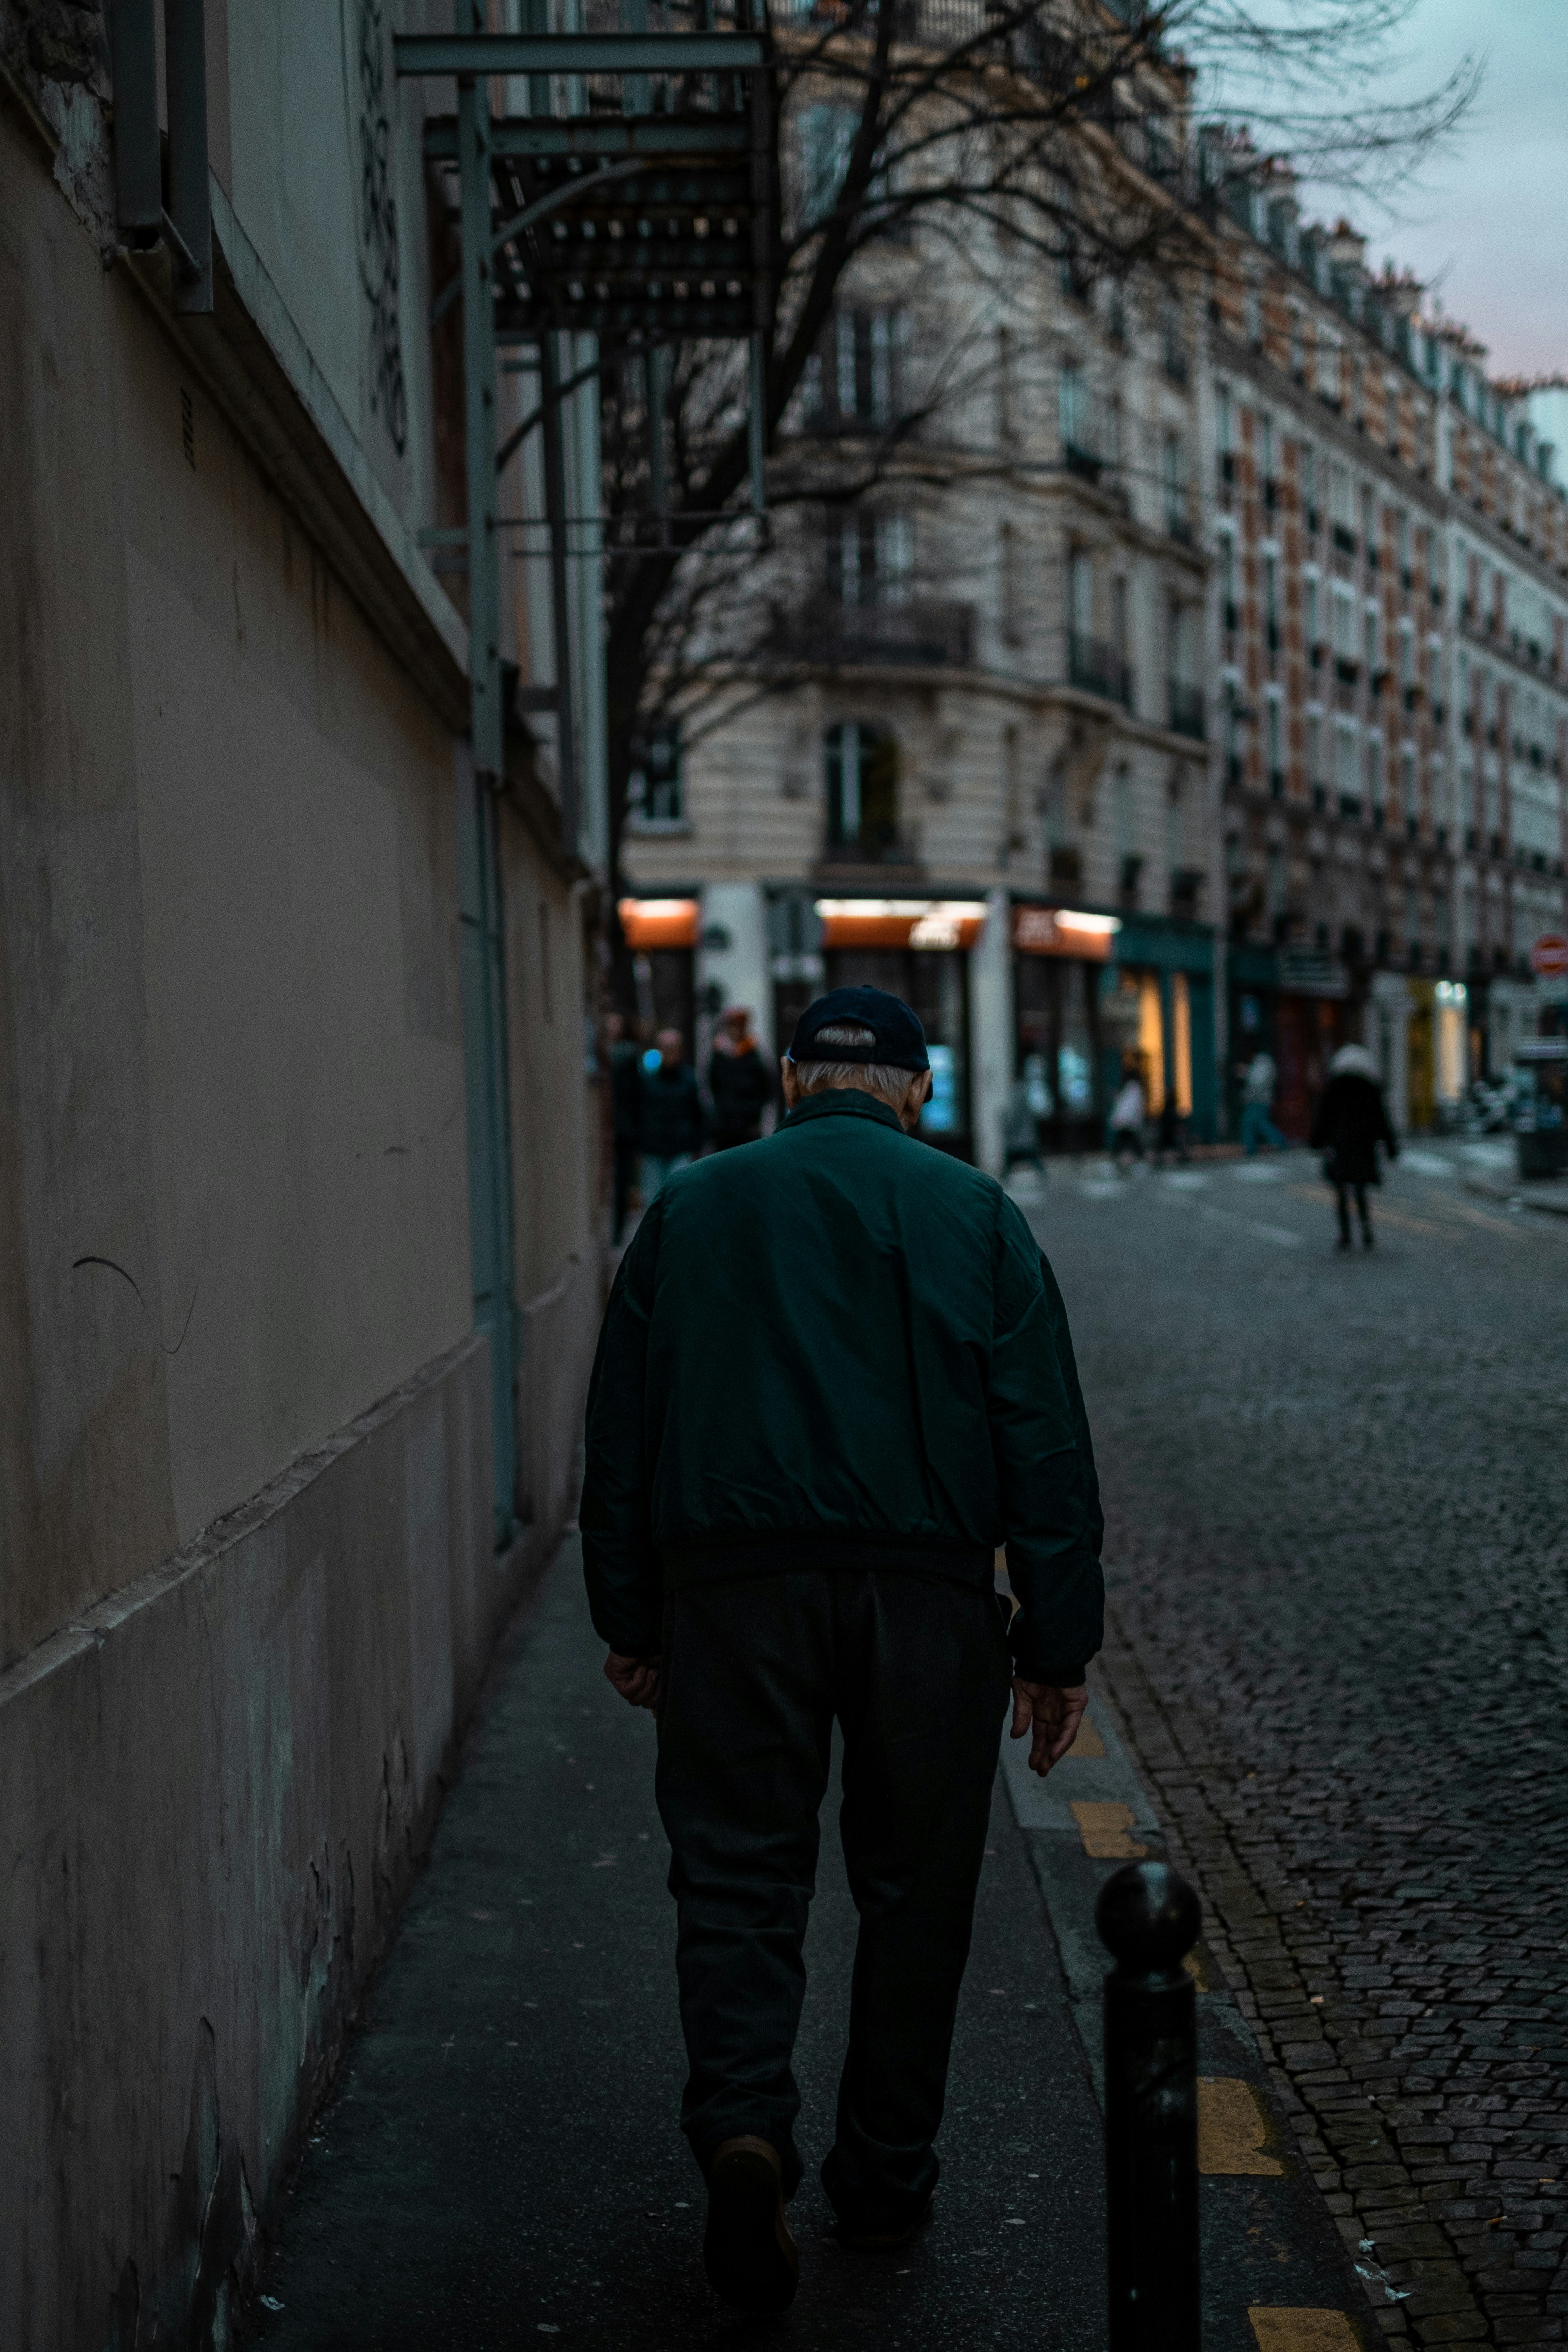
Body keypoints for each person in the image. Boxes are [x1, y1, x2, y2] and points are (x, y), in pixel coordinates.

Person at [581, 985, 1102, 2316]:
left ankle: (745, 2124)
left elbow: (622, 1431)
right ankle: (882, 2180)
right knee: (914, 1892)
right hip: (926, 1600)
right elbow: (1041, 1440)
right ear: (914, 1090)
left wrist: (628, 1619)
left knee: (738, 1879)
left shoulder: (693, 1206)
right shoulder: (975, 1212)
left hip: (732, 1593)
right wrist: (1056, 1645)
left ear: (793, 1083)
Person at [1310, 1040, 1399, 1250]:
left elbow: (1324, 1117)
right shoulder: (1369, 1088)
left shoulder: (1335, 1087)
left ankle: (1345, 1234)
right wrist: (1391, 1146)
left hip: (1341, 1145)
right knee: (1360, 1190)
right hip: (1363, 1146)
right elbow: (1381, 1118)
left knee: (1341, 1191)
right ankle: (1366, 1229)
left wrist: (1317, 1141)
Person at [639, 1028, 705, 1202]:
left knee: (679, 1197)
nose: (669, 1054)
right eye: (665, 1049)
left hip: (681, 1146)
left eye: (673, 1049)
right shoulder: (648, 1078)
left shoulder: (689, 1079)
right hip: (653, 1147)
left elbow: (697, 1112)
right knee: (653, 1199)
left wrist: (696, 1144)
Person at [706, 1005, 774, 1150]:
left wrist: (755, 1113)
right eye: (732, 1025)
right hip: (725, 1126)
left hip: (749, 1125)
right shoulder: (718, 1053)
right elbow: (712, 1085)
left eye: (740, 1026)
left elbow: (767, 1086)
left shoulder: (756, 1052)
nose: (736, 1030)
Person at [604, 1012, 645, 1246]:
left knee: (622, 1181)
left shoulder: (626, 1056)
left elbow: (635, 1097)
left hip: (623, 1130)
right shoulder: (618, 1056)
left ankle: (617, 1232)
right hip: (621, 1128)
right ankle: (616, 1231)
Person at [1000, 1055, 1050, 1183]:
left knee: (1019, 1155)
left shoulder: (1018, 1091)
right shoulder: (1025, 1089)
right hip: (1025, 1135)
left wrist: (1008, 1126)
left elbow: (1015, 1114)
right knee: (1029, 1156)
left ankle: (1004, 1176)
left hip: (1020, 1135)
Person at [1240, 1049, 1286, 1155]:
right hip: (1258, 1101)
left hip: (1259, 1101)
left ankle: (1279, 1143)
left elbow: (1257, 1082)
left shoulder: (1263, 1063)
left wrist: (1247, 1073)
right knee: (1255, 1124)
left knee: (1257, 1124)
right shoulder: (1262, 1063)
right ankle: (1252, 1148)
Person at [1109, 1064, 1145, 1168]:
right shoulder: (1133, 1088)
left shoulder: (1133, 1087)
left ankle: (1129, 1160)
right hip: (1129, 1123)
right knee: (1127, 1142)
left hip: (1128, 1123)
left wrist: (1122, 1120)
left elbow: (1129, 1107)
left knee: (1128, 1143)